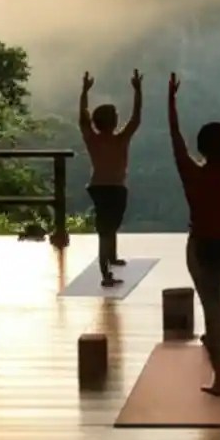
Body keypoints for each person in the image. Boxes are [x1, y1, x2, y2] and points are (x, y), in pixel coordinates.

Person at [168, 71, 220, 398]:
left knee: (212, 309)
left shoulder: (192, 173)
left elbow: (175, 138)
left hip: (204, 250)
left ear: (201, 148)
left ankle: (219, 379)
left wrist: (171, 101)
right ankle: (212, 335)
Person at [80, 69, 143, 287]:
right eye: (116, 117)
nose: (119, 119)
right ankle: (106, 274)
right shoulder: (120, 139)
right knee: (106, 231)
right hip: (115, 188)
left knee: (107, 227)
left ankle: (111, 259)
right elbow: (136, 118)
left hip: (98, 187)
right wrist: (138, 91)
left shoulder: (93, 139)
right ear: (112, 122)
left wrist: (84, 92)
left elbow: (83, 119)